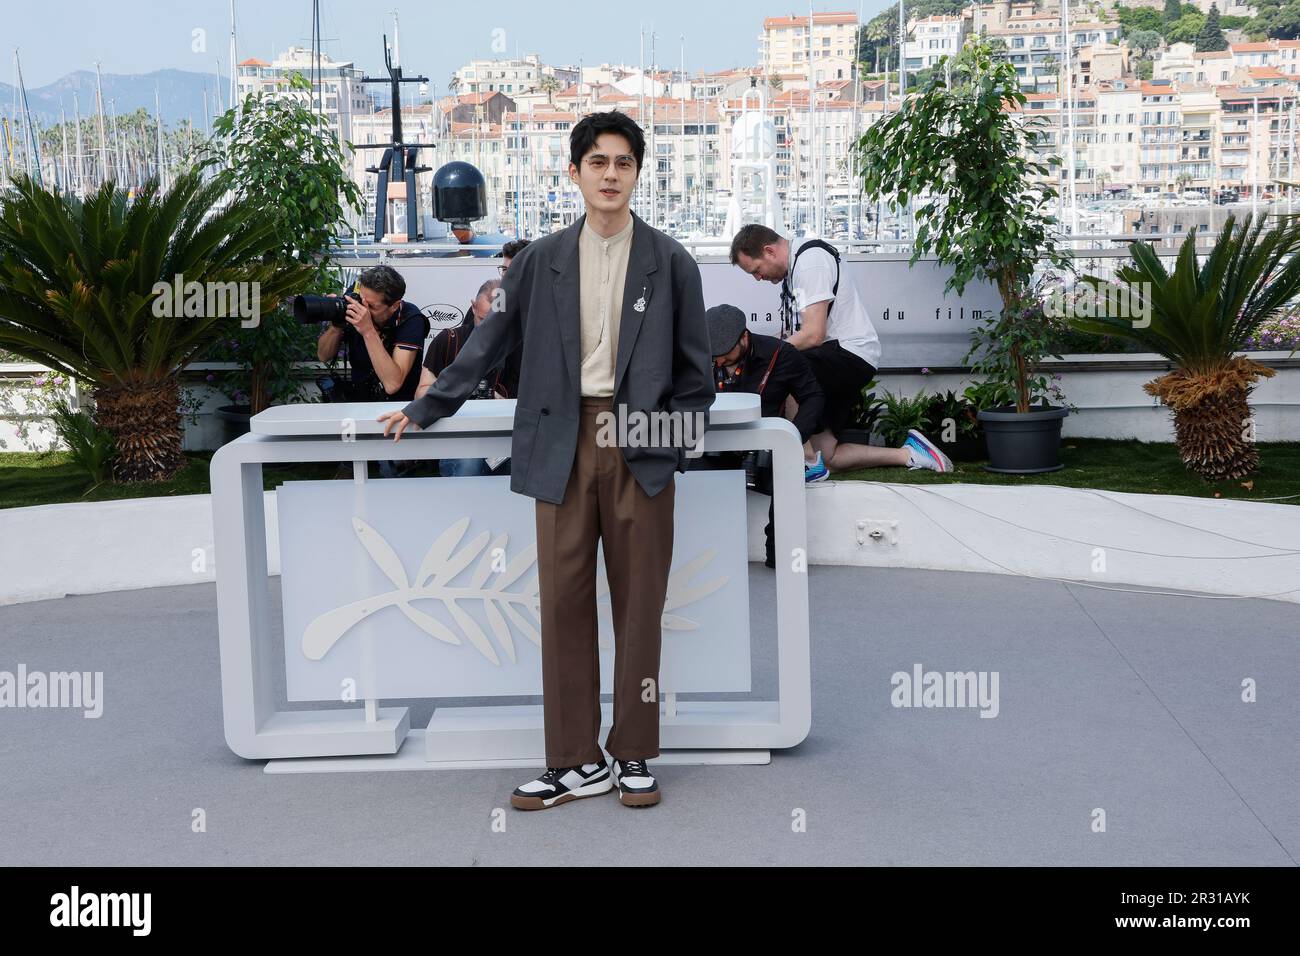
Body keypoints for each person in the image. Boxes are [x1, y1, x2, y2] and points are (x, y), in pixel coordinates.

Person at [378, 110, 714, 810]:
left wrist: (669, 444)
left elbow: (696, 375)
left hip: (640, 446)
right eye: (599, 162)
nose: (611, 174)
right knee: (561, 604)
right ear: (575, 172)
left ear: (637, 173)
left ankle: (634, 753)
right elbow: (485, 343)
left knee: (640, 605)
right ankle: (572, 760)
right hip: (559, 440)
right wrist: (424, 407)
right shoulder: (537, 260)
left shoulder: (671, 260)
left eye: (624, 162)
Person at [730, 224, 951, 475]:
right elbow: (797, 335)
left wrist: (769, 352)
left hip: (849, 354)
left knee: (784, 367)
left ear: (769, 251)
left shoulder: (809, 262)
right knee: (830, 456)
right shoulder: (797, 268)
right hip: (834, 357)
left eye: (756, 271)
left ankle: (806, 462)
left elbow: (813, 335)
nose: (758, 279)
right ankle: (911, 454)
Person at [701, 304, 825, 568]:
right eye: (714, 357)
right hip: (715, 442)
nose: (719, 362)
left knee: (789, 472)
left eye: (724, 355)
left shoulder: (780, 355)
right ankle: (704, 552)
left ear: (744, 338)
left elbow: (813, 396)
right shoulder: (702, 356)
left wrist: (793, 437)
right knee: (685, 470)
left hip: (764, 444)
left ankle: (781, 555)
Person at [315, 264, 429, 479]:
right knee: (347, 484)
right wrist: (337, 324)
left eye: (372, 307)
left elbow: (393, 383)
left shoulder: (411, 319)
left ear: (394, 306)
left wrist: (367, 330)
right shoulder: (355, 305)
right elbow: (323, 355)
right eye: (362, 301)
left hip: (394, 414)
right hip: (358, 409)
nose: (364, 310)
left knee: (391, 480)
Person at [415, 278, 521, 476]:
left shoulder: (521, 347)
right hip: (460, 436)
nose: (489, 331)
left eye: (497, 324)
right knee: (467, 465)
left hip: (506, 438)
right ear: (473, 307)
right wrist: (456, 393)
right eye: (483, 320)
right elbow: (421, 395)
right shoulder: (448, 340)